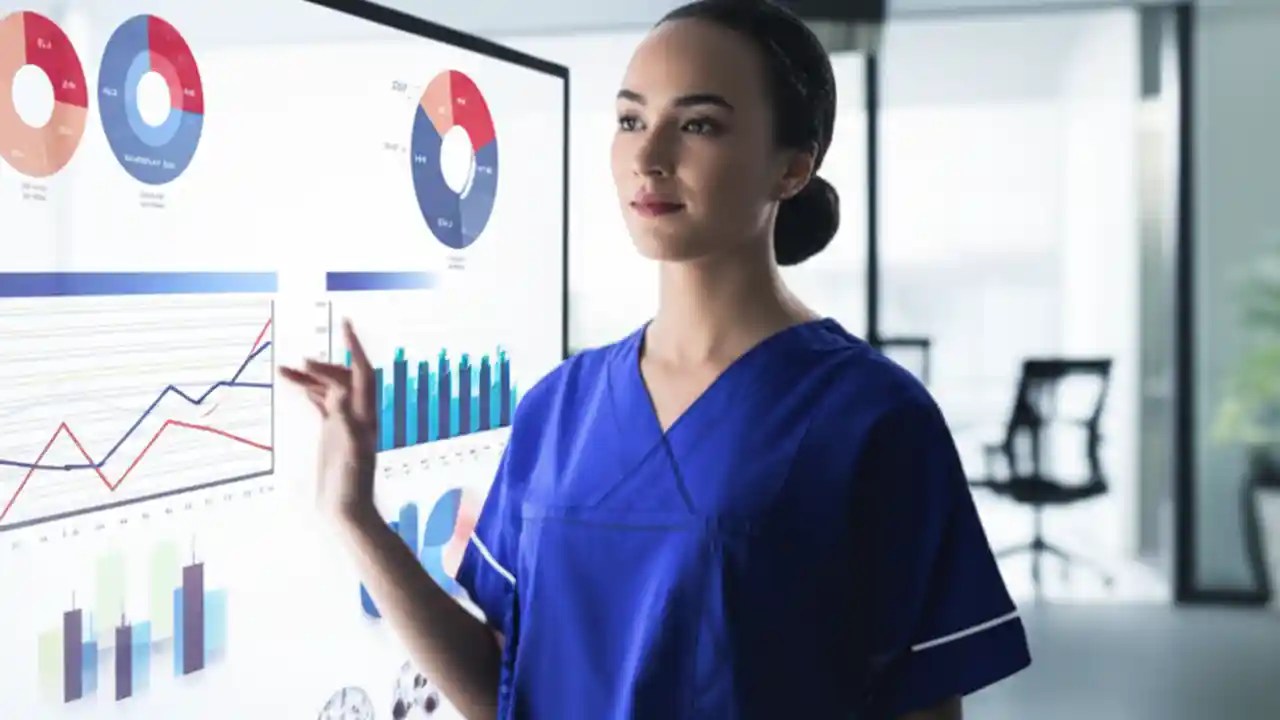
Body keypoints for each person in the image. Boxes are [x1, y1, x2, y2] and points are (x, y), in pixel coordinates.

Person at [280, 1, 1031, 718]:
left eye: (698, 124)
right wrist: (353, 516)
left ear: (792, 168)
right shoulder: (559, 407)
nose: (650, 155)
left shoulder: (871, 416)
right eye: (631, 120)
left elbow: (923, 706)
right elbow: (503, 686)